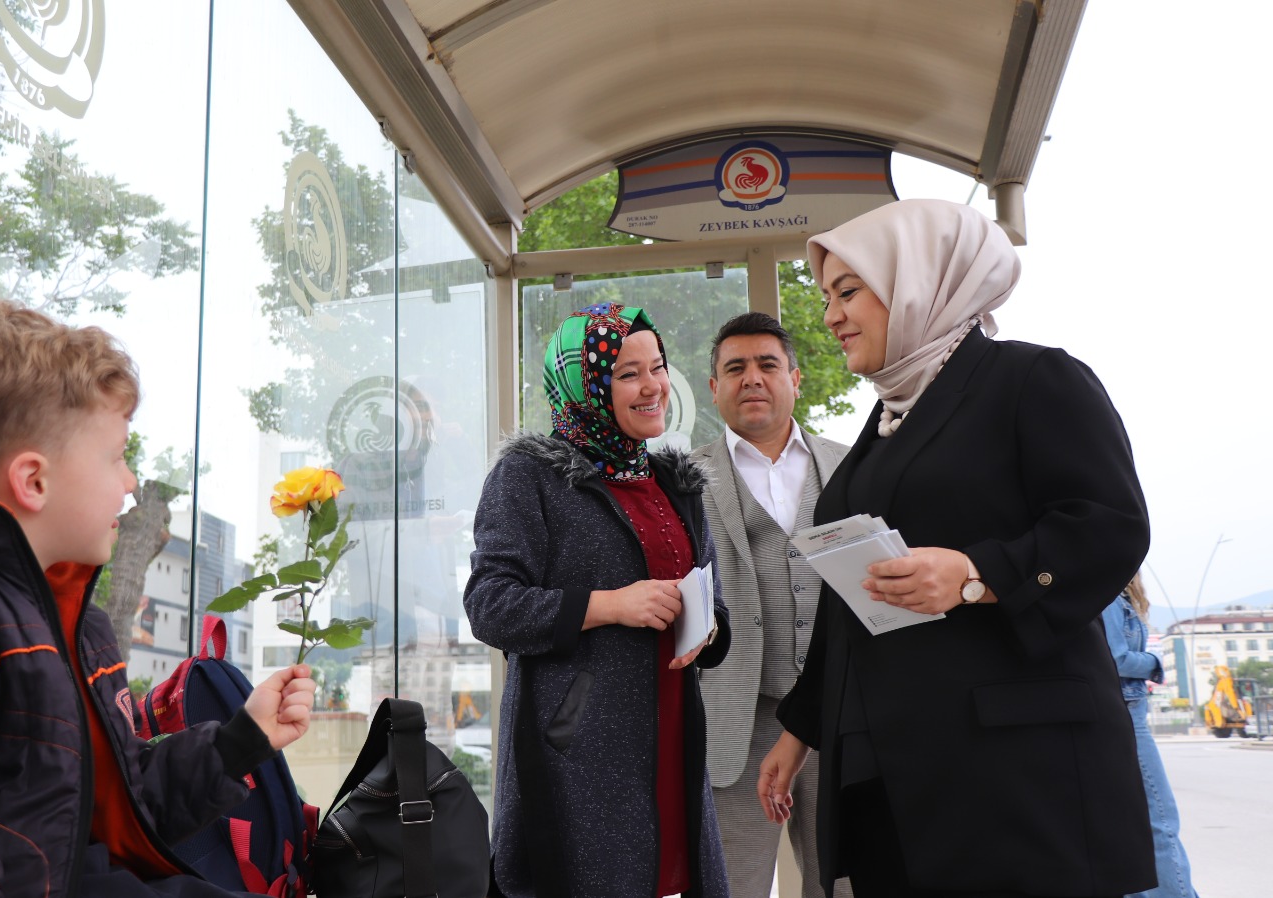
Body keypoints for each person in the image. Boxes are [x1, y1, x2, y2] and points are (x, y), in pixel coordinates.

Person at [0, 302, 317, 897]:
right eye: (116, 456)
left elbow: (117, 807)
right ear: (34, 481)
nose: (130, 482)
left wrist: (240, 741)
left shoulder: (78, 629)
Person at [755, 199, 1154, 898]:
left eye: (849, 291)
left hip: (1014, 775)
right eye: (826, 298)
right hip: (889, 775)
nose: (831, 317)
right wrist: (801, 732)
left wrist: (977, 575)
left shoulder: (1033, 380)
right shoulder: (885, 423)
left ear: (919, 280)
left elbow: (1110, 524)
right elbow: (856, 596)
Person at [464, 302, 732, 898]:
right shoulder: (527, 476)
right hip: (578, 755)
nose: (653, 386)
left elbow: (713, 604)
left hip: (672, 736)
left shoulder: (675, 484)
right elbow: (490, 604)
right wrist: (611, 605)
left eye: (658, 367)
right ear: (586, 386)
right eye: (628, 373)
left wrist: (706, 626)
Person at [692, 312, 852, 898]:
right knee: (731, 887)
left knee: (845, 883)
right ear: (714, 388)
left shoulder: (849, 465)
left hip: (838, 715)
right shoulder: (681, 478)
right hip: (736, 723)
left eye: (767, 364)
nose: (752, 378)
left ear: (796, 377)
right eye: (735, 368)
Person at [1102, 575, 1201, 898]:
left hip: (1127, 711)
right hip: (1129, 714)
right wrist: (1156, 663)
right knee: (1160, 820)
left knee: (1137, 822)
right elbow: (1115, 659)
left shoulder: (1114, 596)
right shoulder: (1109, 598)